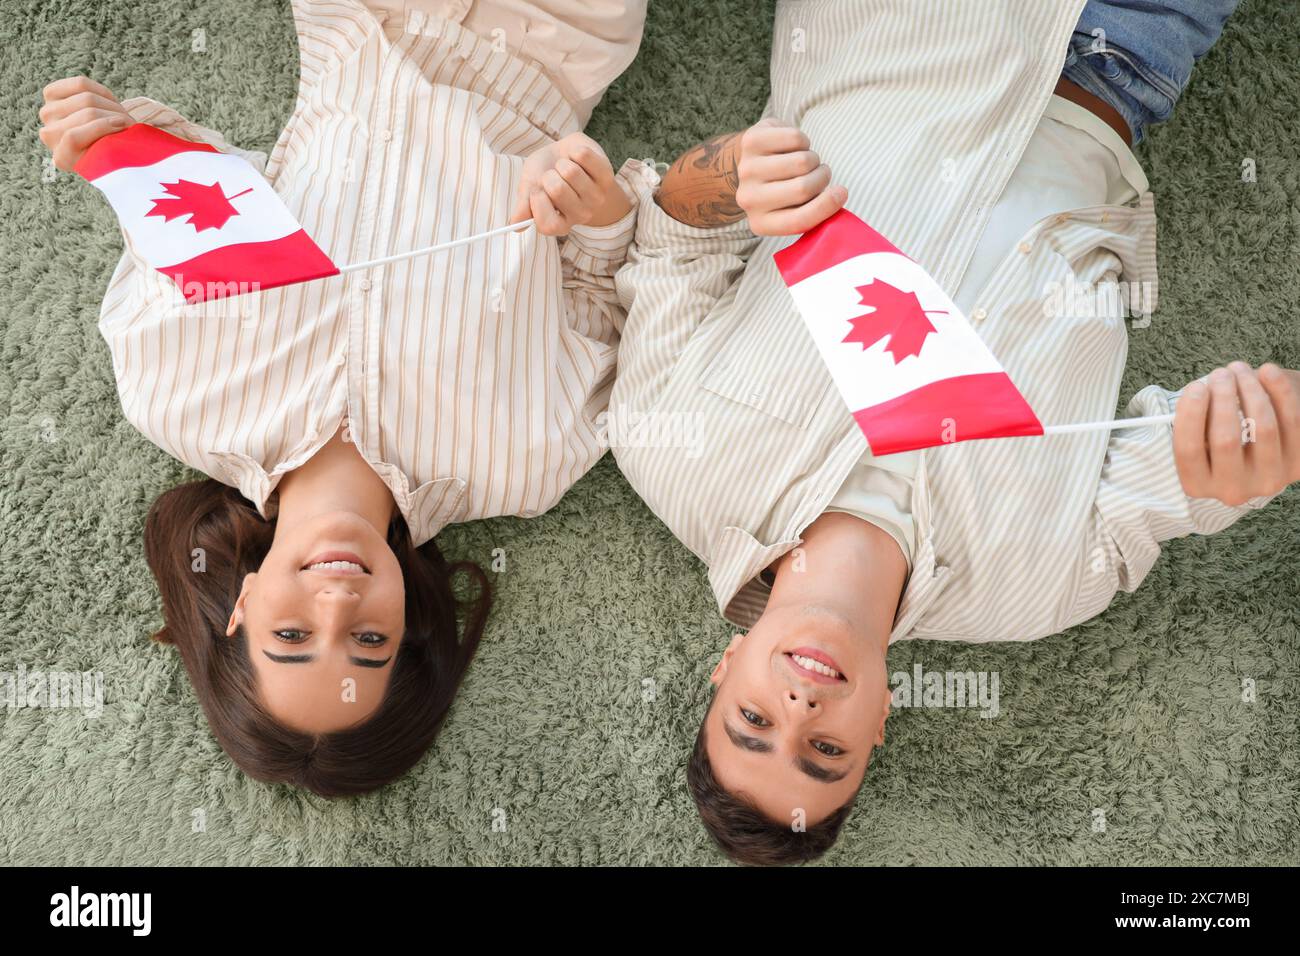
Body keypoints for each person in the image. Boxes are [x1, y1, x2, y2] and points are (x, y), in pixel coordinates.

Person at [608, 0, 1296, 863]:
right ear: (882, 723)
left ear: (724, 669)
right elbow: (1197, 465)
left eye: (752, 722)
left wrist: (724, 173)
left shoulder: (664, 452)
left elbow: (672, 233)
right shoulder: (1040, 587)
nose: (799, 713)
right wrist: (1246, 453)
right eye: (826, 752)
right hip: (1121, 57)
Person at [37, 0, 650, 796]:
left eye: (292, 634)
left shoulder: (173, 390)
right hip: (552, 40)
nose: (336, 598)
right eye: (368, 639)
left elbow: (199, 193)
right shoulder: (525, 460)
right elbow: (605, 298)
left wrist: (113, 130)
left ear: (242, 610)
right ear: (409, 626)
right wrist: (599, 213)